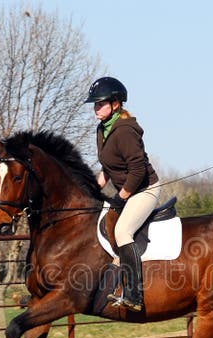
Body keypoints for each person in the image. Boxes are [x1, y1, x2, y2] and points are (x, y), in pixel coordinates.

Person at [85, 76, 161, 312]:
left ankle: (134, 295)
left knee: (122, 231)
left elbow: (137, 171)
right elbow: (107, 169)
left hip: (144, 189)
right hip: (127, 191)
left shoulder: (125, 131)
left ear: (115, 104)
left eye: (100, 104)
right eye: (95, 104)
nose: (96, 108)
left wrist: (122, 196)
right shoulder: (102, 129)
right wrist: (89, 189)